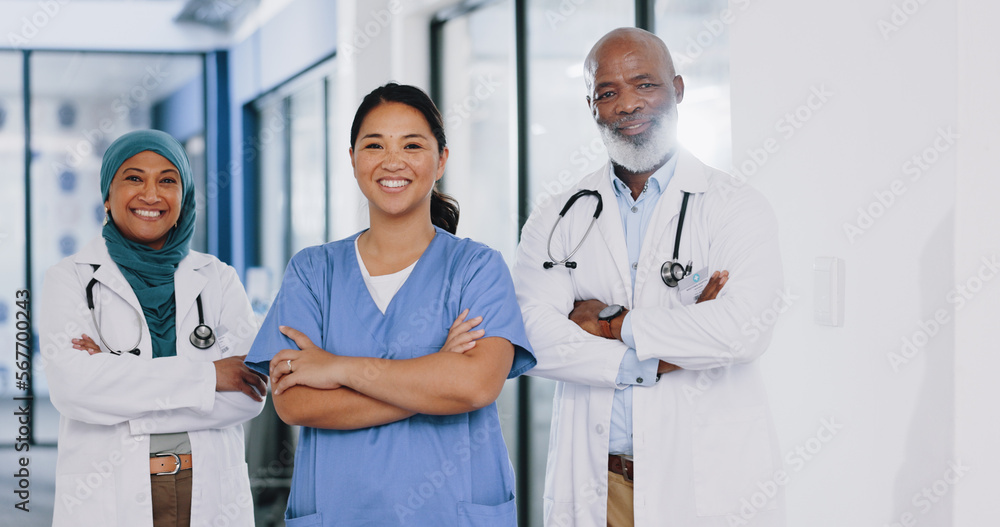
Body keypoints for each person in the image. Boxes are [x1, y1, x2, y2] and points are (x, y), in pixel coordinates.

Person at [513, 28, 785, 526]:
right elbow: (527, 335)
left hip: (704, 482)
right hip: (600, 484)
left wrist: (613, 321)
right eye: (608, 92)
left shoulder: (734, 207)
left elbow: (742, 330)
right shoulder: (558, 217)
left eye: (645, 84)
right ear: (592, 106)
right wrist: (653, 359)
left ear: (677, 90)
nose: (627, 105)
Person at [244, 82, 535, 526]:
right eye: (374, 144)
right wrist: (436, 374)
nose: (392, 161)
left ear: (441, 161)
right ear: (353, 159)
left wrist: (337, 368)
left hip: (451, 512)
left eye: (412, 145)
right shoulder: (312, 271)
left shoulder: (476, 268)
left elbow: (475, 386)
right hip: (341, 511)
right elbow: (297, 403)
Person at [39, 130, 267, 527]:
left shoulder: (218, 278)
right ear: (107, 195)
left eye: (167, 180)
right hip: (109, 494)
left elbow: (249, 396)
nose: (150, 195)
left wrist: (118, 388)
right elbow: (73, 389)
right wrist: (210, 376)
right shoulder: (70, 279)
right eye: (133, 178)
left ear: (185, 195)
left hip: (209, 491)